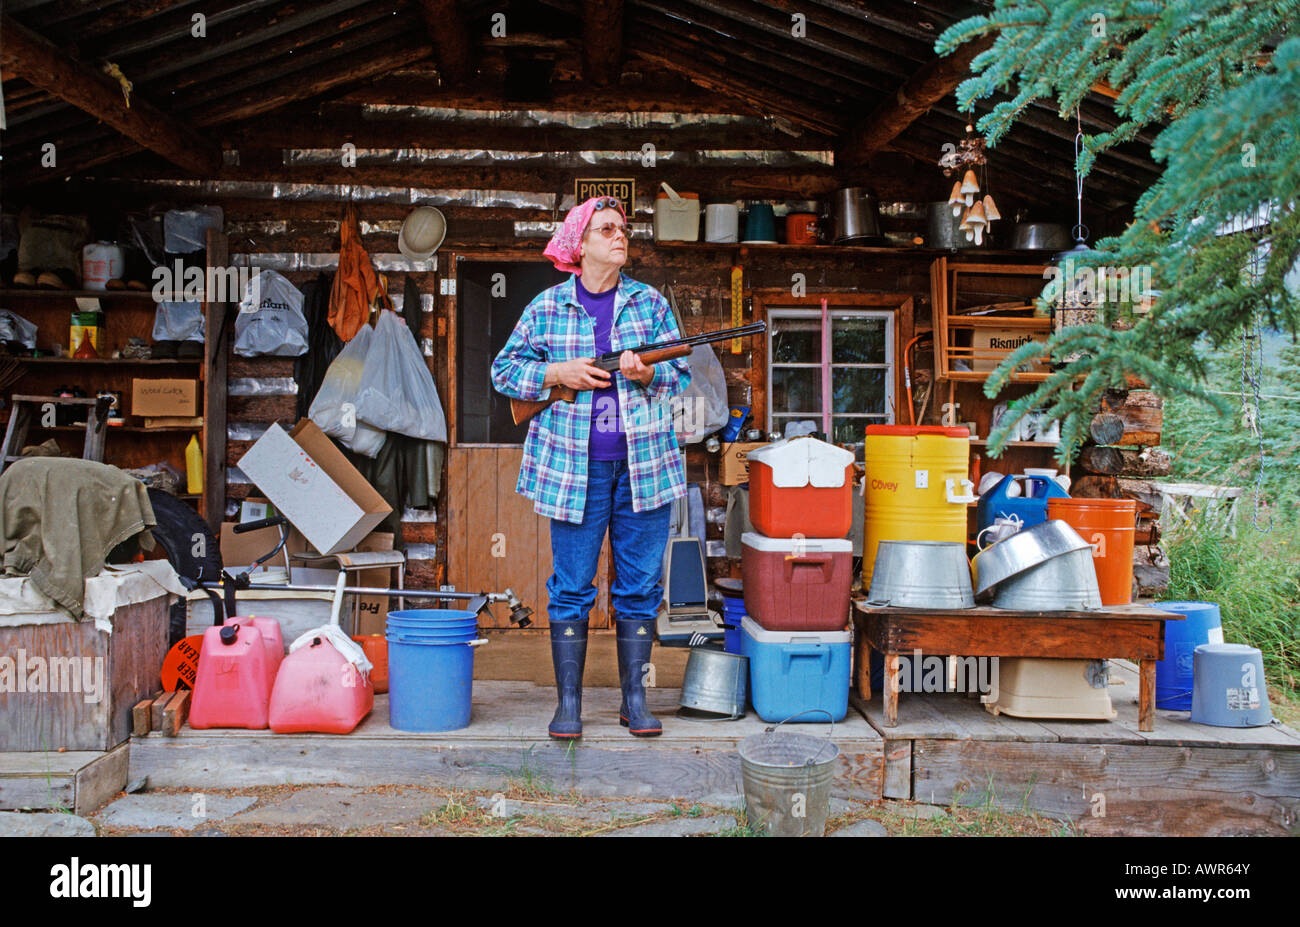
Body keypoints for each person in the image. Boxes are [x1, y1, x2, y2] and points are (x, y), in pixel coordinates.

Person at [492, 196, 690, 738]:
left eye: (623, 229)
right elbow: (504, 371)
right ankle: (570, 705)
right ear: (580, 245)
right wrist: (559, 372)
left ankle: (635, 701)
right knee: (573, 587)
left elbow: (682, 379)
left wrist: (646, 375)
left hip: (644, 467)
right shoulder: (546, 308)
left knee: (641, 588)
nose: (620, 236)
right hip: (574, 470)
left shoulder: (649, 304)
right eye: (607, 229)